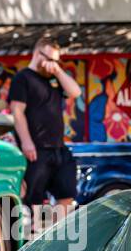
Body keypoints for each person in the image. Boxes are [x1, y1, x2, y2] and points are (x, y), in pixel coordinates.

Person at [8, 35, 82, 233]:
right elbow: (17, 111)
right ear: (36, 53)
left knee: (67, 192)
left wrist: (58, 71)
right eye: (49, 58)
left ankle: (57, 235)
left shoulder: (55, 79)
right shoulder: (23, 78)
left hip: (58, 148)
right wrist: (26, 142)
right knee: (34, 199)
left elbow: (75, 92)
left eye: (55, 60)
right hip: (36, 148)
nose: (51, 64)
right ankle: (36, 239)